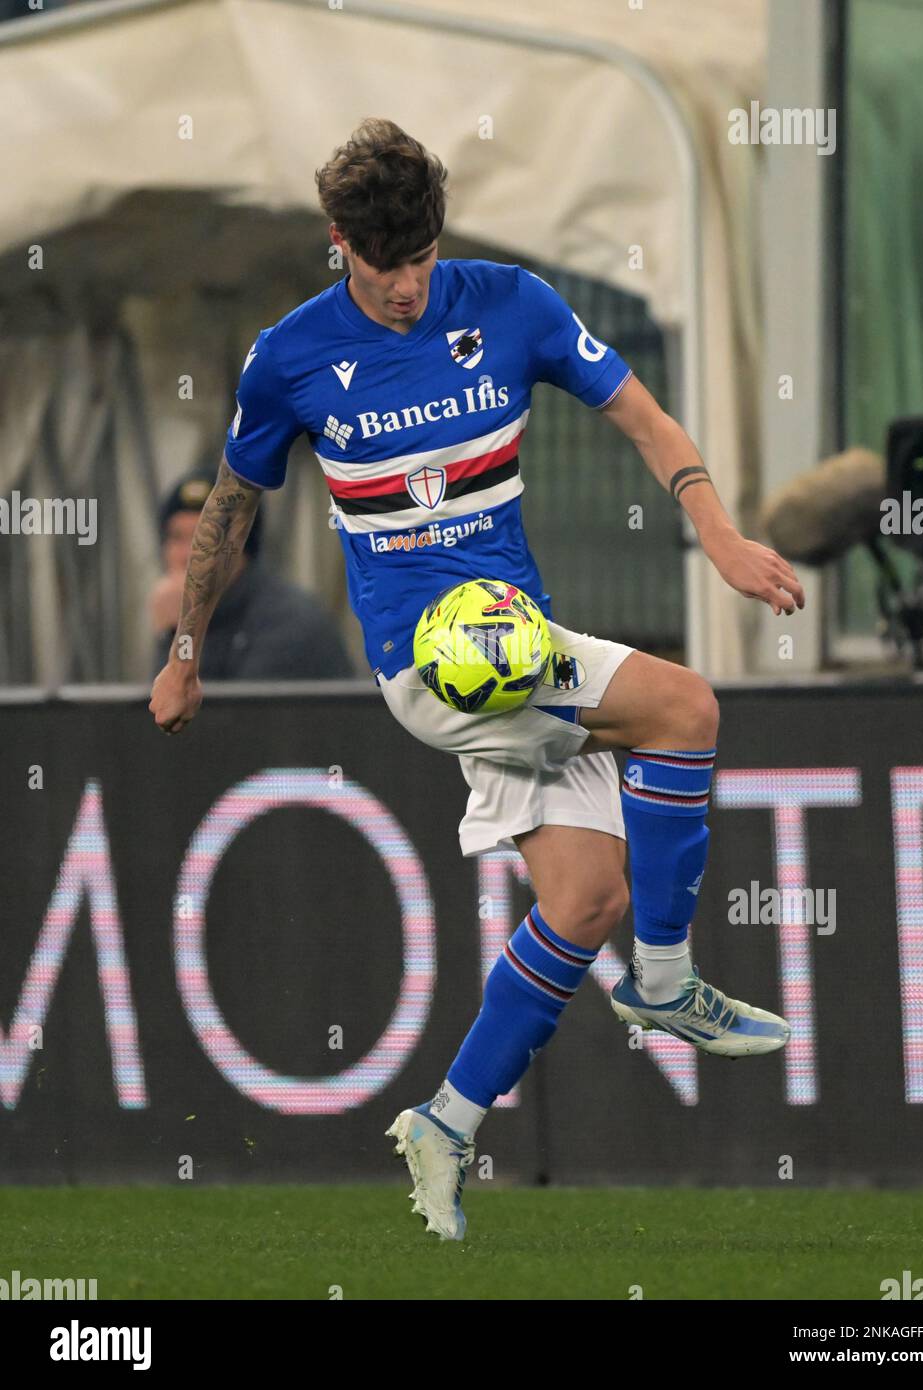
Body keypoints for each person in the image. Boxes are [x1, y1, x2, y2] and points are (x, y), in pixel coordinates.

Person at [149, 118, 805, 1240]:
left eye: (420, 260)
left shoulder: (512, 305)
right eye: (382, 265)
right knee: (685, 707)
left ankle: (444, 1123)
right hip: (431, 662)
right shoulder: (290, 356)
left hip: (510, 640)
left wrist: (719, 534)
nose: (406, 288)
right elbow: (230, 507)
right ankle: (660, 978)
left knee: (582, 898)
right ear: (337, 241)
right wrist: (184, 649)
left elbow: (640, 416)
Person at [150, 469, 352, 680]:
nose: (187, 555)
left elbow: (217, 711)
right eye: (176, 537)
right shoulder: (206, 614)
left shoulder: (287, 623)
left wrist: (180, 634)